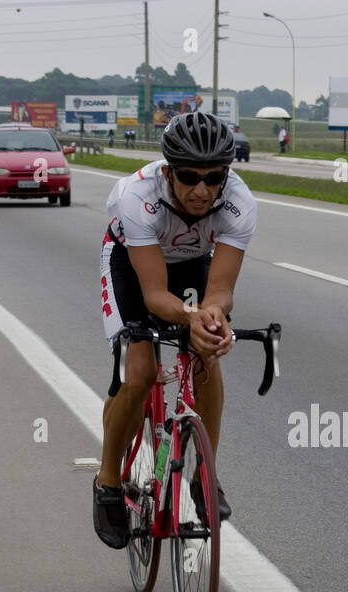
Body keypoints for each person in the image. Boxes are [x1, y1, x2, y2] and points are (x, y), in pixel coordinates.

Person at [93, 112, 257, 548]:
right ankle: (108, 483)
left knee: (207, 353)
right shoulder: (138, 197)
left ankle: (205, 477)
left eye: (213, 177)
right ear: (168, 172)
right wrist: (190, 316)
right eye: (188, 176)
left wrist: (212, 317)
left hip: (191, 263)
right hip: (133, 264)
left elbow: (220, 289)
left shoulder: (239, 203)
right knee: (142, 372)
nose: (202, 190)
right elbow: (154, 296)